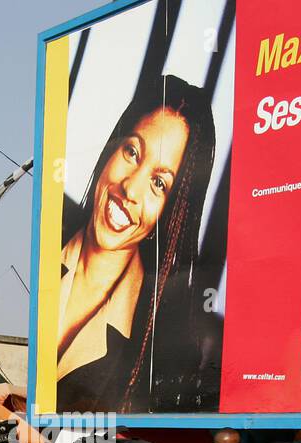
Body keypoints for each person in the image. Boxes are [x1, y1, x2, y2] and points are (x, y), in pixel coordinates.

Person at [55, 74, 216, 414]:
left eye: (158, 182)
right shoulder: (51, 233)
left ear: (173, 210)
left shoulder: (154, 339)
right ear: (112, 147)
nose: (130, 189)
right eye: (132, 151)